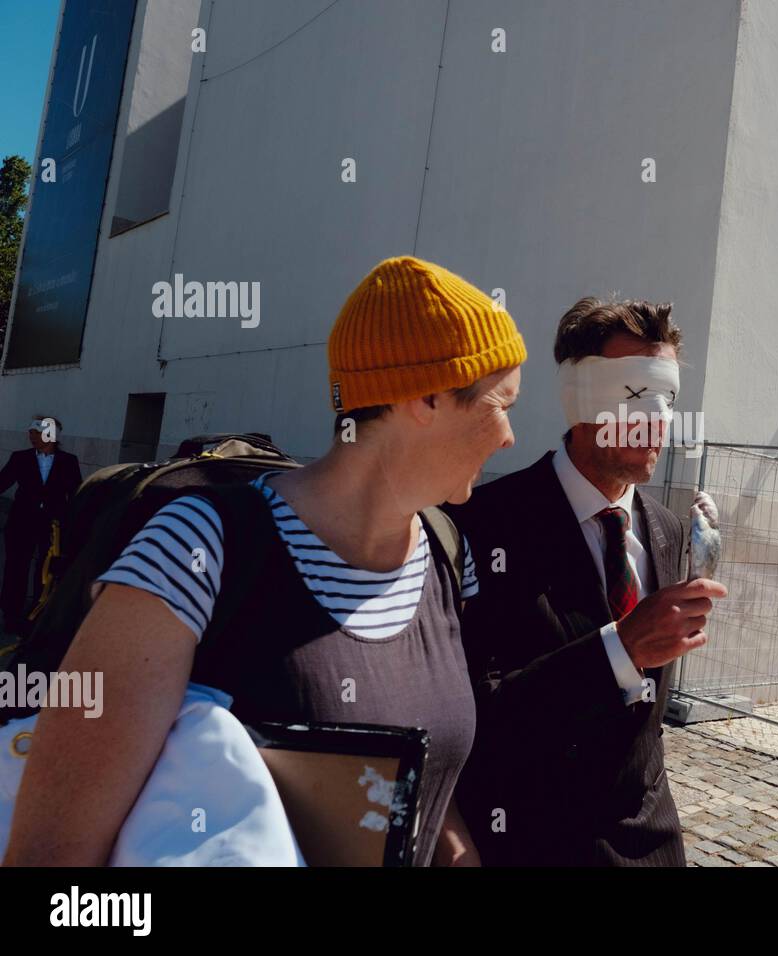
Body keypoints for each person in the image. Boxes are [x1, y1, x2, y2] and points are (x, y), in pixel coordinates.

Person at [2, 256, 525, 866]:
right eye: (501, 402)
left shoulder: (443, 553)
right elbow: (51, 855)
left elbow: (429, 788)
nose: (509, 435)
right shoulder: (197, 547)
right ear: (425, 396)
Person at [446, 296, 726, 866]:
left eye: (667, 399)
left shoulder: (668, 532)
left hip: (650, 843)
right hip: (532, 844)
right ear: (579, 400)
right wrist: (618, 649)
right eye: (633, 395)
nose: (658, 418)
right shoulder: (481, 526)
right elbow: (476, 716)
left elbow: (646, 729)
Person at [0, 416, 82, 637]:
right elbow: (3, 481)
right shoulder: (20, 458)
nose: (31, 436)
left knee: (46, 571)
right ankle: (11, 615)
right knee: (16, 567)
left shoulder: (69, 461)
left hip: (53, 525)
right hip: (21, 522)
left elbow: (76, 493)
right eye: (30, 432)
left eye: (36, 432)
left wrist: (75, 522)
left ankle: (37, 614)